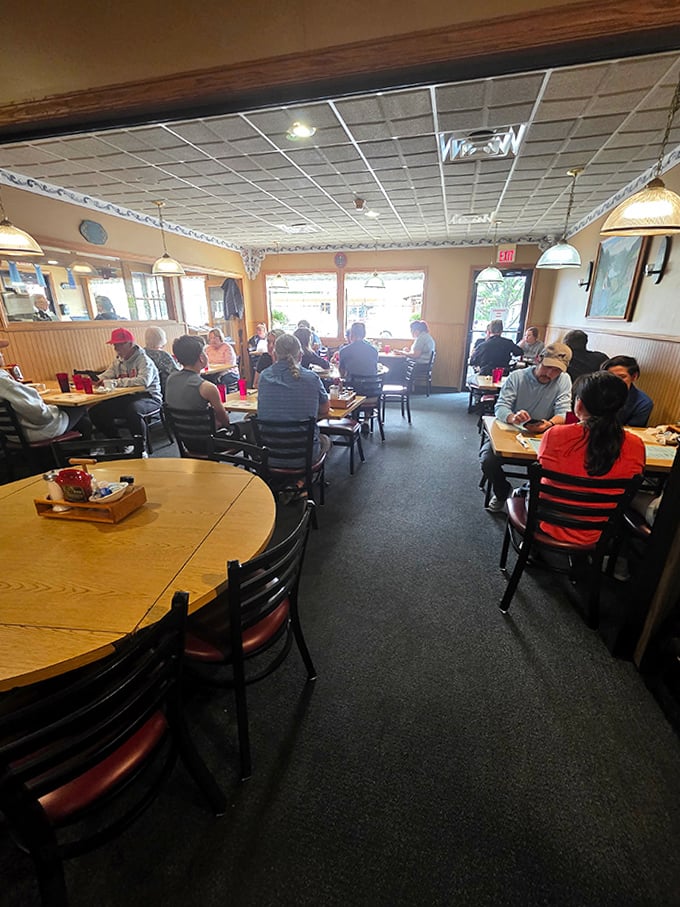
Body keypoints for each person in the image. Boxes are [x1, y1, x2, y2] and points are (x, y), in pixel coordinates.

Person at [537, 371, 645, 545]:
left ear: (579, 404)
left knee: (529, 488)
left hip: (550, 522)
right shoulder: (636, 444)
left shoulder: (555, 435)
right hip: (600, 530)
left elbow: (544, 470)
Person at [480, 342, 573, 511]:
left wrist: (550, 423)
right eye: (547, 367)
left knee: (554, 466)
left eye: (556, 370)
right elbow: (501, 406)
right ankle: (502, 493)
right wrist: (513, 417)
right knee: (487, 460)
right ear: (539, 359)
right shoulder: (518, 376)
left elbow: (564, 412)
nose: (550, 373)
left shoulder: (564, 380)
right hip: (512, 429)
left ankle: (529, 495)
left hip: (543, 432)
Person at [257, 333, 330, 466]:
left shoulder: (263, 377)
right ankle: (302, 480)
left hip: (270, 454)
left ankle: (286, 480)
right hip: (303, 455)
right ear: (301, 355)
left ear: (274, 354)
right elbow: (325, 409)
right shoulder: (312, 378)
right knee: (325, 440)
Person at [0, 338, 91, 440]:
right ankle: (85, 451)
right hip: (33, 433)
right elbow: (41, 416)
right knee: (81, 407)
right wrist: (54, 408)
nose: (2, 355)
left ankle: (79, 450)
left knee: (83, 422)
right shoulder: (4, 381)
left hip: (10, 434)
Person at [91, 328, 162, 443]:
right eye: (114, 345)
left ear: (129, 344)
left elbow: (144, 381)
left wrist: (115, 382)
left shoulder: (144, 360)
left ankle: (140, 446)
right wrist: (95, 380)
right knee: (96, 411)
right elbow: (107, 375)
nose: (115, 349)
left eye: (118, 345)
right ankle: (118, 442)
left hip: (149, 397)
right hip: (128, 397)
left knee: (133, 410)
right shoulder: (118, 361)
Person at [165, 335, 231, 430]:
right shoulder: (207, 387)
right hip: (210, 439)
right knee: (248, 425)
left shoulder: (170, 379)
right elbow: (225, 420)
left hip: (183, 436)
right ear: (201, 358)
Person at [601, 355, 654, 427]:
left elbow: (632, 430)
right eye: (610, 376)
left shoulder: (643, 403)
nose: (615, 381)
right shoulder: (596, 391)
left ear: (634, 376)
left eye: (621, 377)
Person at [144, 326, 180, 392]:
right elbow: (176, 373)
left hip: (147, 390)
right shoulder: (163, 355)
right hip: (165, 391)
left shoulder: (142, 354)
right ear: (161, 339)